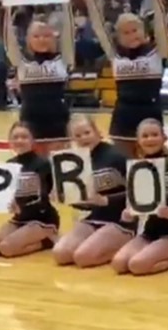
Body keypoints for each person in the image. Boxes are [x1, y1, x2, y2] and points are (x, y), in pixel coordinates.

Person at [84, 0, 168, 156]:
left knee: (152, 165)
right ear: (118, 37)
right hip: (123, 117)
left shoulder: (158, 52)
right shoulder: (115, 54)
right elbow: (99, 27)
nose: (132, 35)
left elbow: (161, 23)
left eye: (135, 30)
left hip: (151, 114)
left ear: (144, 30)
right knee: (122, 165)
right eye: (126, 32)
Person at [111, 119, 168, 276]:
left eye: (154, 135)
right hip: (151, 231)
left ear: (164, 138)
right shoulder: (138, 167)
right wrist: (129, 213)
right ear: (138, 141)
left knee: (137, 266)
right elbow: (137, 202)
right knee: (119, 264)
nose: (150, 139)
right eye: (145, 136)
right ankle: (152, 252)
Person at [52, 115, 135, 268]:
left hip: (121, 219)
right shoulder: (74, 162)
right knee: (61, 254)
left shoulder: (118, 157)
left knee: (83, 257)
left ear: (98, 132)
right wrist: (65, 198)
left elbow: (139, 193)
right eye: (77, 135)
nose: (83, 138)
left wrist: (107, 200)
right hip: (94, 217)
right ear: (72, 139)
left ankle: (126, 243)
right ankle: (99, 242)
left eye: (87, 132)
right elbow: (85, 203)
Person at [1, 0, 75, 153]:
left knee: (59, 172)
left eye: (46, 35)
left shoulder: (63, 59)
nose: (42, 39)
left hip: (59, 124)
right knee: (35, 171)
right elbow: (8, 40)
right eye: (36, 36)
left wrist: (66, 3)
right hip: (30, 124)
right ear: (29, 39)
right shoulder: (21, 62)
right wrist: (7, 8)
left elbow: (69, 32)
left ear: (54, 38)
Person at [0, 122, 59, 258]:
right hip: (20, 218)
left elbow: (43, 197)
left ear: (32, 140)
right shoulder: (9, 164)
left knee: (7, 248)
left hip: (42, 219)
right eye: (16, 137)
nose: (19, 140)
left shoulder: (42, 164)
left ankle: (47, 240)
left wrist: (22, 206)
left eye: (24, 137)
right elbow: (5, 195)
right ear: (10, 141)